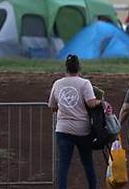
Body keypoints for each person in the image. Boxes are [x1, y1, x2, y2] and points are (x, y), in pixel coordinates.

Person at [48, 54, 102, 189]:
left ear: (66, 68)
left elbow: (53, 106)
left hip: (63, 129)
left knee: (64, 164)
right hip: (82, 130)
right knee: (87, 163)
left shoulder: (58, 83)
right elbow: (90, 103)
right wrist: (99, 102)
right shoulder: (84, 83)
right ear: (79, 67)